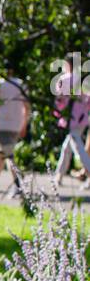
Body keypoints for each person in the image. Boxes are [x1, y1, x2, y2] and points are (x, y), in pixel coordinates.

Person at [0, 74, 31, 195]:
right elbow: (27, 107)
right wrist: (24, 124)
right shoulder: (21, 84)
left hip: (2, 124)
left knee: (8, 154)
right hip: (16, 125)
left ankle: (18, 183)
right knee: (2, 153)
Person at [52, 55, 90, 186]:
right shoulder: (82, 80)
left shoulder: (63, 80)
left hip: (71, 119)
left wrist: (58, 113)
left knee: (78, 148)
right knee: (66, 148)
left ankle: (88, 172)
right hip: (82, 118)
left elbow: (59, 101)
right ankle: (59, 176)